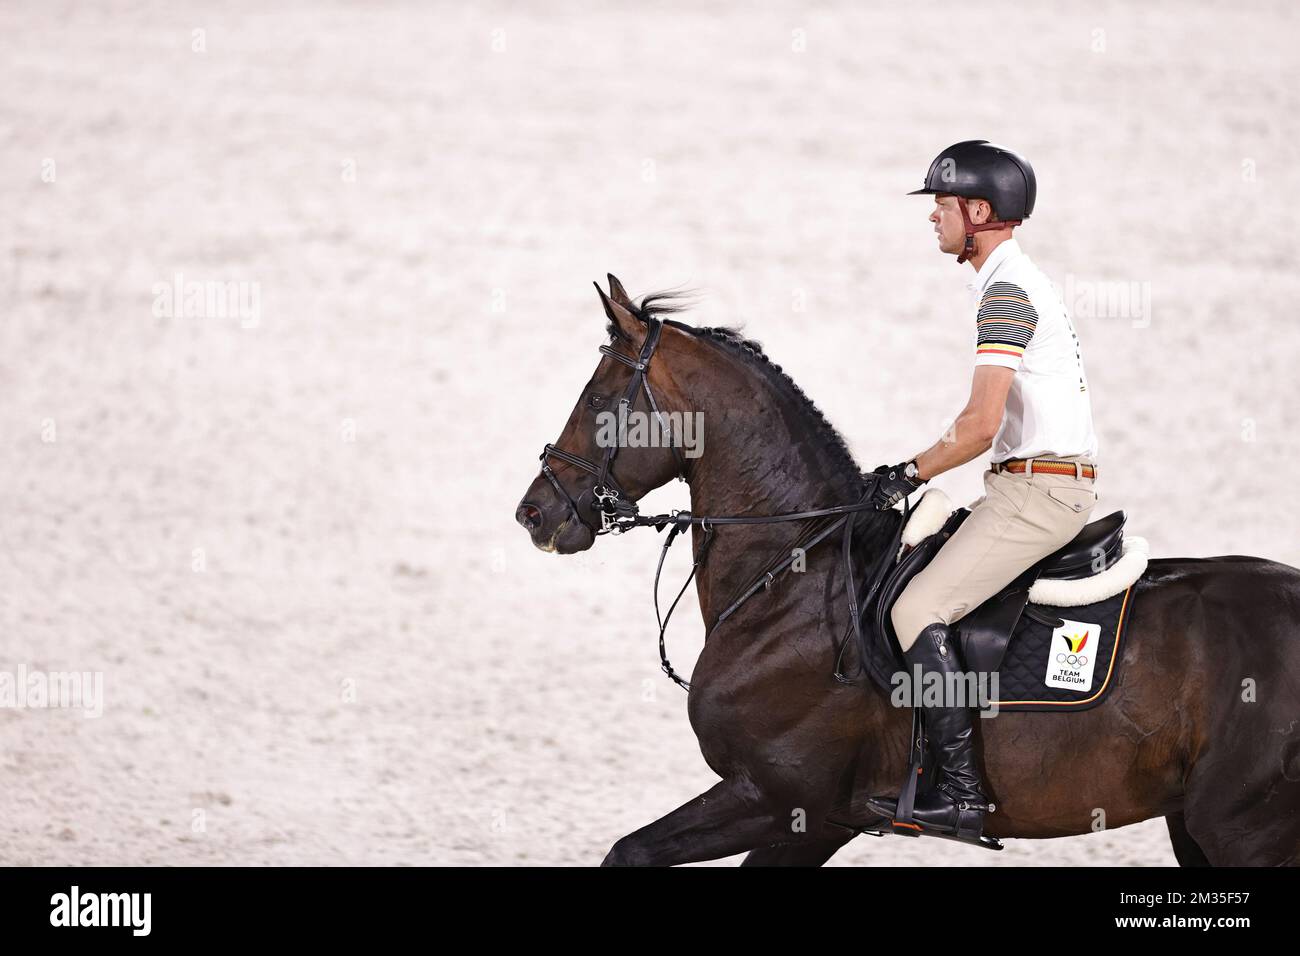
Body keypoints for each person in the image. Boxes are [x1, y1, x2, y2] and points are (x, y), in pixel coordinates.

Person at [863, 140, 1100, 842]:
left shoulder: (1005, 293)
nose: (932, 217)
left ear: (980, 210)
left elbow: (977, 427)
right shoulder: (1005, 283)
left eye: (942, 204)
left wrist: (905, 475)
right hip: (1025, 485)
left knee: (917, 609)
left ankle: (961, 794)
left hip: (1039, 495)